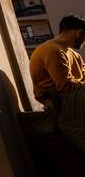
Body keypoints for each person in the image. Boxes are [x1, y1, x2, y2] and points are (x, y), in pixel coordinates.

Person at [30, 14, 85, 156]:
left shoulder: (75, 55)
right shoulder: (51, 49)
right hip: (60, 102)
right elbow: (65, 86)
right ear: (79, 33)